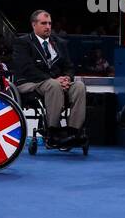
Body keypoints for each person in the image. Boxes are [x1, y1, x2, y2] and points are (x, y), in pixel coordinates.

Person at [13, 10, 87, 148]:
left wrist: (66, 78)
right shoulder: (22, 42)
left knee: (79, 86)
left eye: (49, 23)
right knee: (53, 85)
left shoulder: (59, 42)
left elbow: (69, 66)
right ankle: (52, 133)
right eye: (43, 23)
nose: (48, 26)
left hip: (54, 84)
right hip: (30, 83)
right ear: (34, 25)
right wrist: (54, 80)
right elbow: (26, 68)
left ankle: (73, 133)